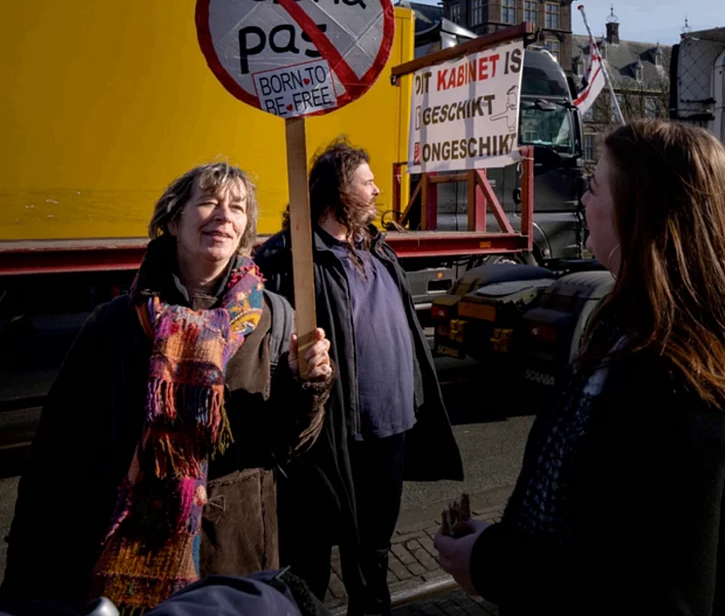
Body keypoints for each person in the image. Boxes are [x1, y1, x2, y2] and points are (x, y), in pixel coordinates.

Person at [432, 120, 725, 615]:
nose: (584, 200)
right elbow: (598, 525)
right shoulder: (627, 334)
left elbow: (649, 592)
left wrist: (492, 565)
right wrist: (501, 546)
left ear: (641, 212)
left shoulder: (680, 382)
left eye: (595, 186)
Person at [0, 163, 333, 615]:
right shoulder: (115, 322)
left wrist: (309, 385)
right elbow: (56, 458)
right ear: (174, 221)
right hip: (124, 564)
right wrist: (25, 584)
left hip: (234, 563)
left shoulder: (274, 319)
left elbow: (290, 445)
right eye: (208, 202)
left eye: (237, 208)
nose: (223, 215)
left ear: (246, 231)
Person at [256, 138, 463, 616]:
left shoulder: (376, 250)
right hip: (330, 439)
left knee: (373, 554)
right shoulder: (292, 261)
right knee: (308, 555)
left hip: (390, 430)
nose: (376, 191)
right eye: (365, 182)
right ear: (337, 193)